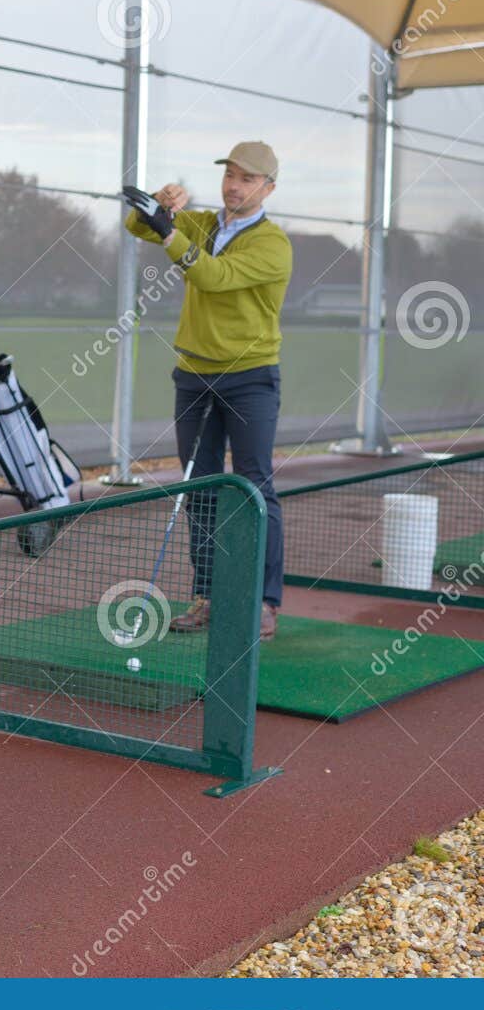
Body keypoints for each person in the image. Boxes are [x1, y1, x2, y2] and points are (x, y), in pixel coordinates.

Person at [122, 141, 292, 641]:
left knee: (255, 484)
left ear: (268, 188)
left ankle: (263, 600)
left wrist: (169, 230)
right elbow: (137, 227)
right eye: (231, 175)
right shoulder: (202, 224)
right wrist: (159, 204)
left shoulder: (274, 244)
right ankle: (209, 594)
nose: (234, 185)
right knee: (200, 489)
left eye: (247, 178)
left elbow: (213, 277)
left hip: (250, 379)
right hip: (194, 375)